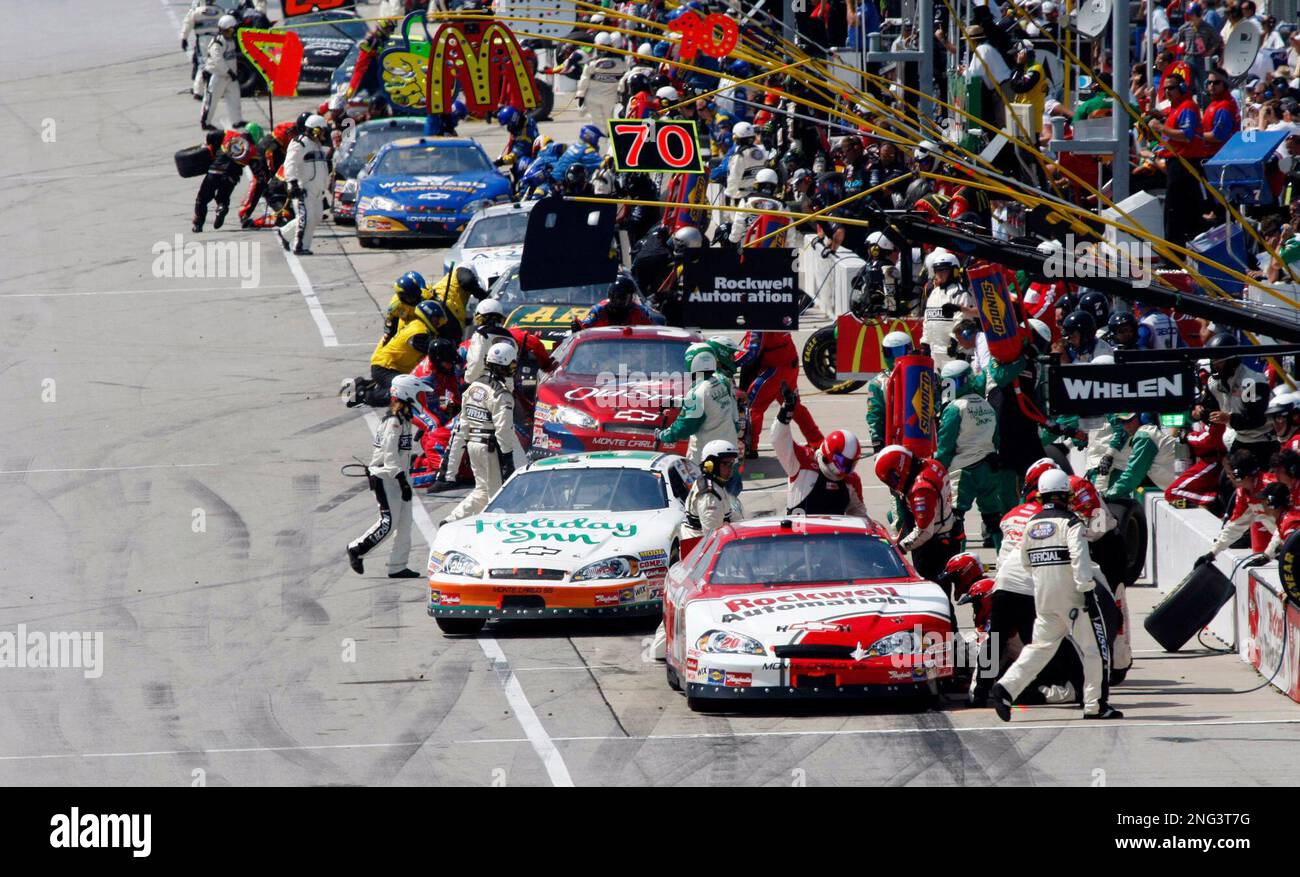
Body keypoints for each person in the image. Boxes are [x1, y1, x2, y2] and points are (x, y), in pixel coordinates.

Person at [991, 469, 1123, 721]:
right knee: (1094, 649)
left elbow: (1026, 562)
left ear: (1041, 496)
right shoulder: (1071, 523)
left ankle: (1005, 688)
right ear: (1067, 495)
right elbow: (1080, 559)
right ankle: (1095, 705)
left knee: (1040, 648)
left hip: (1043, 597)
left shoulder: (1031, 525)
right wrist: (1087, 591)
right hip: (1074, 598)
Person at [346, 375, 426, 578]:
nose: (421, 398)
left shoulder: (404, 419)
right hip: (385, 477)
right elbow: (389, 454)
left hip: (399, 477)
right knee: (388, 523)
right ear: (407, 394)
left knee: (405, 524)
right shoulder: (393, 422)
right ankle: (357, 548)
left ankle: (397, 566)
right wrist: (401, 479)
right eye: (418, 394)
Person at [937, 360, 1015, 550]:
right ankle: (1002, 558)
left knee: (955, 518)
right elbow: (996, 439)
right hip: (989, 468)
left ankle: (959, 558)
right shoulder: (987, 405)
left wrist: (937, 467)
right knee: (993, 518)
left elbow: (946, 444)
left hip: (963, 470)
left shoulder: (954, 408)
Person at [440, 342, 520, 522]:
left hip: (473, 445)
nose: (513, 368)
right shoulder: (501, 395)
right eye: (512, 364)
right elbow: (503, 429)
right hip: (490, 449)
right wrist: (508, 458)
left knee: (481, 491)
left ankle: (451, 520)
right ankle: (492, 530)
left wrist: (452, 465)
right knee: (498, 497)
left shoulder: (473, 387)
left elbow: (462, 425)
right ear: (503, 365)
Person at [874, 445, 962, 581]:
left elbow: (924, 531)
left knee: (932, 588)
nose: (893, 484)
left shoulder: (921, 490)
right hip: (946, 532)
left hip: (933, 547)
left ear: (899, 469)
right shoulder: (931, 464)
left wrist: (900, 548)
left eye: (892, 479)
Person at [342, 300, 449, 408]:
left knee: (405, 385)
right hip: (385, 367)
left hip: (391, 367)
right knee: (401, 391)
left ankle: (365, 384)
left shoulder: (420, 326)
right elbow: (432, 350)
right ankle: (363, 396)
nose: (438, 323)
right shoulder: (419, 333)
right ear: (428, 316)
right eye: (436, 319)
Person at [773, 408, 867, 516]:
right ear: (829, 454)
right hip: (798, 527)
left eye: (851, 464)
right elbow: (779, 440)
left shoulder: (852, 481)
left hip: (834, 527)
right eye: (843, 463)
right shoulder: (803, 462)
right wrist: (785, 412)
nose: (846, 469)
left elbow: (859, 514)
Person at [1198, 331, 1273, 466]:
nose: (1214, 365)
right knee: (1228, 476)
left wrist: (1229, 418)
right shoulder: (1213, 382)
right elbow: (1211, 408)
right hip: (1239, 439)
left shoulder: (1249, 382)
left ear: (1231, 360)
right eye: (1212, 361)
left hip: (1262, 441)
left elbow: (1256, 419)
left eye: (1219, 361)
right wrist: (1201, 411)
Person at [654, 345, 740, 464]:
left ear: (691, 363)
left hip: (707, 460)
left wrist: (662, 435)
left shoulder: (697, 393)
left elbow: (684, 427)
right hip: (730, 452)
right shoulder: (721, 381)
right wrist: (676, 402)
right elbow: (710, 404)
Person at [735, 332, 814, 458]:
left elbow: (750, 352)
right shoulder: (775, 321)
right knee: (794, 407)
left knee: (752, 405)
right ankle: (817, 441)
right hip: (789, 364)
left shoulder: (759, 326)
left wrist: (729, 361)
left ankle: (750, 448)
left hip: (775, 370)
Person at [1193, 450, 1279, 565]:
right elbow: (1235, 526)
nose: (1228, 477)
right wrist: (1212, 553)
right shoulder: (1244, 494)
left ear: (1239, 474)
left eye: (1229, 473)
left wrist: (1267, 555)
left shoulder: (1273, 488)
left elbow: (1287, 524)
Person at [278, 114, 330, 256]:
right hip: (303, 188)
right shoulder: (300, 143)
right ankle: (300, 246)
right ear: (316, 130)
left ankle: (285, 233)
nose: (324, 134)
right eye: (323, 131)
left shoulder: (317, 145)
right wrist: (293, 183)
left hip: (317, 190)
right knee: (306, 217)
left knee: (316, 217)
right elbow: (290, 163)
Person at [192, 127, 257, 232]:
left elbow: (211, 134)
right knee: (223, 198)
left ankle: (198, 224)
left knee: (202, 199)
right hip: (231, 176)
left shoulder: (230, 134)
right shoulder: (253, 151)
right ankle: (221, 208)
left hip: (215, 171)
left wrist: (211, 147)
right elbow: (257, 170)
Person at [922, 249, 977, 369]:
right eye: (937, 271)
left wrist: (954, 342)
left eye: (944, 270)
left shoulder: (960, 293)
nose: (940, 274)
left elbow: (963, 320)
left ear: (954, 271)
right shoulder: (934, 293)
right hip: (935, 352)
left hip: (955, 352)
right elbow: (928, 319)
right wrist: (925, 343)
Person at [1106, 417, 1180, 500]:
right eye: (1122, 422)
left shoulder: (1144, 436)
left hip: (1185, 487)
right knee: (1139, 489)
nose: (1127, 426)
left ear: (1140, 417)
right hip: (1179, 488)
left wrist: (1109, 496)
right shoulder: (1143, 434)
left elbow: (1133, 474)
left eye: (1129, 421)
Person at [865, 330, 913, 452]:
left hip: (919, 433)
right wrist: (877, 440)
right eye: (889, 352)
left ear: (909, 350)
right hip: (893, 438)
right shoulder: (878, 383)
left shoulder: (923, 374)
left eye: (899, 351)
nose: (895, 357)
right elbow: (875, 414)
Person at [199, 15, 242, 132]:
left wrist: (233, 72)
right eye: (230, 30)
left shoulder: (231, 40)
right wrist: (229, 71)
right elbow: (218, 60)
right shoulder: (217, 43)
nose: (232, 32)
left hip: (230, 76)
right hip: (217, 75)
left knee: (234, 99)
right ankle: (205, 122)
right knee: (211, 100)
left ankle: (237, 121)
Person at [576, 31, 625, 123]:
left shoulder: (591, 63)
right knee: (609, 120)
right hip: (611, 97)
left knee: (596, 122)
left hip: (593, 97)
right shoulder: (621, 62)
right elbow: (624, 78)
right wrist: (621, 93)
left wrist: (580, 95)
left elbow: (584, 80)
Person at [572, 275, 655, 330]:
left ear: (631, 298)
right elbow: (584, 327)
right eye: (616, 297)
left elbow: (651, 332)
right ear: (610, 295)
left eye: (622, 297)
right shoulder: (598, 310)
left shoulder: (640, 311)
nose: (619, 301)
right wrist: (577, 326)